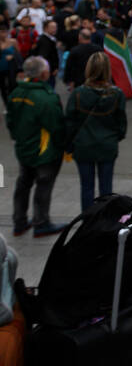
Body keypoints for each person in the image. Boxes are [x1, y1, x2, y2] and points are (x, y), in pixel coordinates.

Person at [6, 55, 66, 238]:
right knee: (43, 184)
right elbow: (56, 126)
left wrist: (18, 138)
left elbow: (11, 121)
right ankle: (41, 222)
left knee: (23, 183)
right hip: (43, 151)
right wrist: (63, 146)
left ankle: (19, 221)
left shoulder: (16, 94)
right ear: (44, 73)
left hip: (24, 147)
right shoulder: (45, 98)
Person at [64, 51, 128, 211]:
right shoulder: (117, 94)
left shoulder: (78, 94)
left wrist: (68, 145)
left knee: (86, 187)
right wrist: (113, 137)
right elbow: (121, 124)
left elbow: (70, 123)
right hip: (107, 144)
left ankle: (88, 220)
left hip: (84, 145)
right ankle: (104, 220)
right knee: (106, 188)